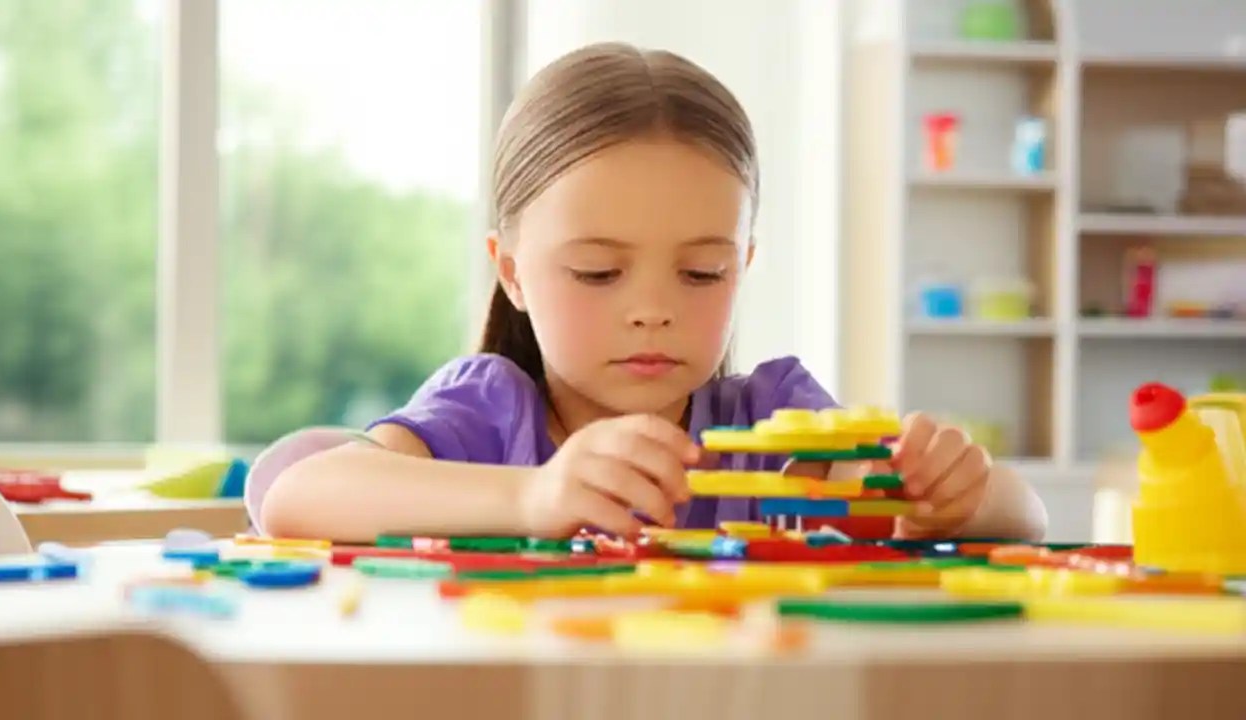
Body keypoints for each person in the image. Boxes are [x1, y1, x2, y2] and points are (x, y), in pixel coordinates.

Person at [246, 42, 1048, 545]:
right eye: (598, 272)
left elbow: (1024, 516)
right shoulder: (486, 415)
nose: (653, 309)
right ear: (512, 272)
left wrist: (946, 497)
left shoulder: (773, 426)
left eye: (702, 273)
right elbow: (301, 495)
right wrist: (535, 496)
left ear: (743, 264)